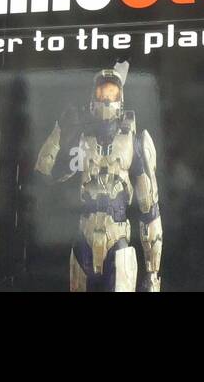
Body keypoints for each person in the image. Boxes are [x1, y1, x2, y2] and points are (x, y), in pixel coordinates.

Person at [36, 65, 162, 291]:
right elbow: (47, 171)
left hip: (118, 237)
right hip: (84, 238)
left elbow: (149, 209)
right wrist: (60, 131)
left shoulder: (134, 144)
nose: (106, 98)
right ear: (93, 97)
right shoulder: (82, 141)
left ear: (120, 98)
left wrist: (152, 274)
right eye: (102, 92)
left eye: (112, 93)